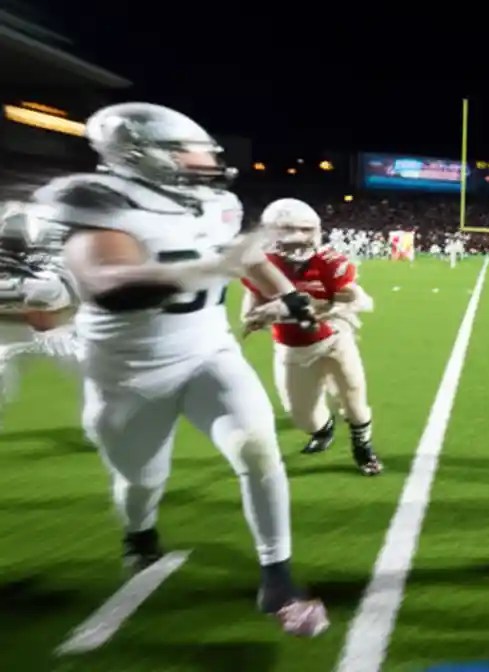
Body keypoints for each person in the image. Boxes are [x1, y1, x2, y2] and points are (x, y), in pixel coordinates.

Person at [35, 102, 329, 638]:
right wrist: (209, 268)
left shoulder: (216, 203)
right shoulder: (98, 201)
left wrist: (289, 297)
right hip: (128, 372)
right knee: (142, 480)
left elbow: (242, 257)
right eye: (191, 149)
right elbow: (111, 284)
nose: (207, 157)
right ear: (143, 156)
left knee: (258, 447)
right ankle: (139, 532)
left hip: (208, 351)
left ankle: (278, 576)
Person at [242, 198, 382, 475]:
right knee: (304, 417)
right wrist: (268, 314)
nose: (299, 238)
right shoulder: (261, 266)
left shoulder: (328, 262)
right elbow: (249, 315)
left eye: (305, 230)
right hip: (291, 348)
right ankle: (323, 429)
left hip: (334, 340)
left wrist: (305, 307)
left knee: (354, 400)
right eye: (290, 230)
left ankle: (362, 448)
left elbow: (360, 300)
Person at [0, 203, 81, 424]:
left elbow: (46, 319)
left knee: (90, 373)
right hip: (13, 332)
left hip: (59, 333)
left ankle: (102, 424)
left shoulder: (52, 273)